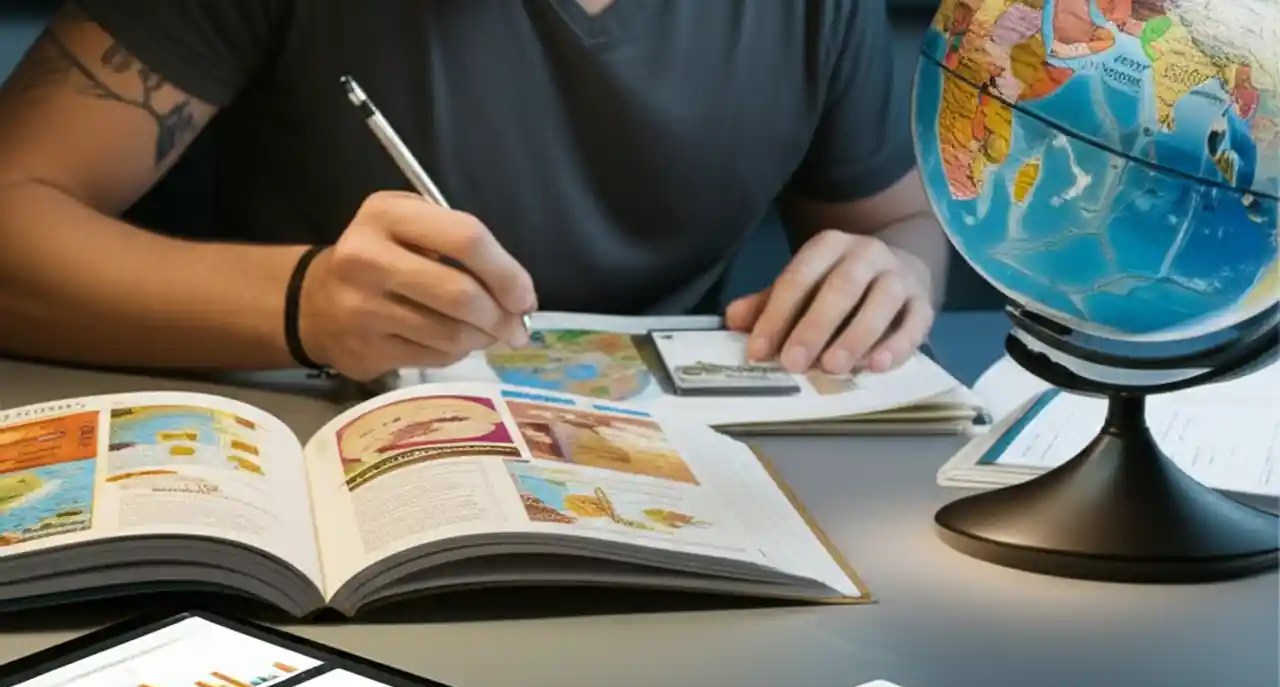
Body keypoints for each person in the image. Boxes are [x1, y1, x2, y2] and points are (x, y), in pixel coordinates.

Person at [0, 0, 949, 384]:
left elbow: (896, 219)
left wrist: (897, 269)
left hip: (691, 480)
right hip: (316, 437)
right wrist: (302, 305)